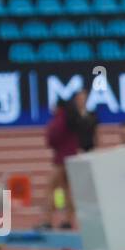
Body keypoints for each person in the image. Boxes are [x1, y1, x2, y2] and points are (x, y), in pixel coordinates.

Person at [44, 96, 80, 230]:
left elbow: (52, 138)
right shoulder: (73, 118)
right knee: (69, 191)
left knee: (51, 189)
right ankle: (68, 220)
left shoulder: (59, 119)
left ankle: (47, 220)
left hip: (61, 160)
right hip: (72, 158)